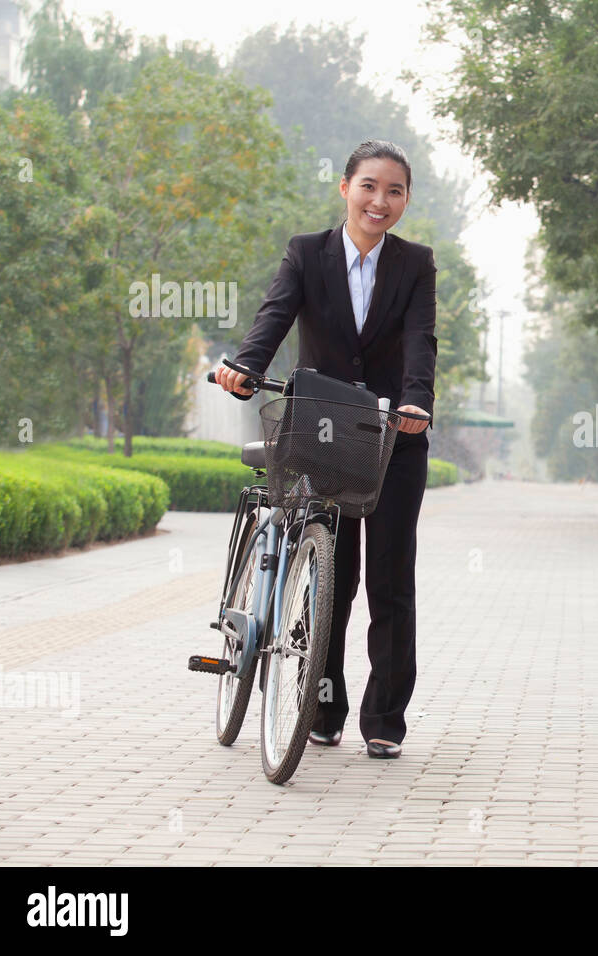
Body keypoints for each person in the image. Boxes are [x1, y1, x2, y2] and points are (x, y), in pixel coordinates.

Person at [213, 139, 436, 759]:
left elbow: (422, 340)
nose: (380, 201)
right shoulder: (306, 254)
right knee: (330, 577)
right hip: (323, 435)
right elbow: (274, 316)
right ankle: (324, 703)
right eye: (369, 186)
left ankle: (385, 716)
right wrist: (246, 366)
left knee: (391, 580)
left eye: (395, 191)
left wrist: (418, 400)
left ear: (406, 200)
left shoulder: (415, 264)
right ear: (345, 189)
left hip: (395, 435)